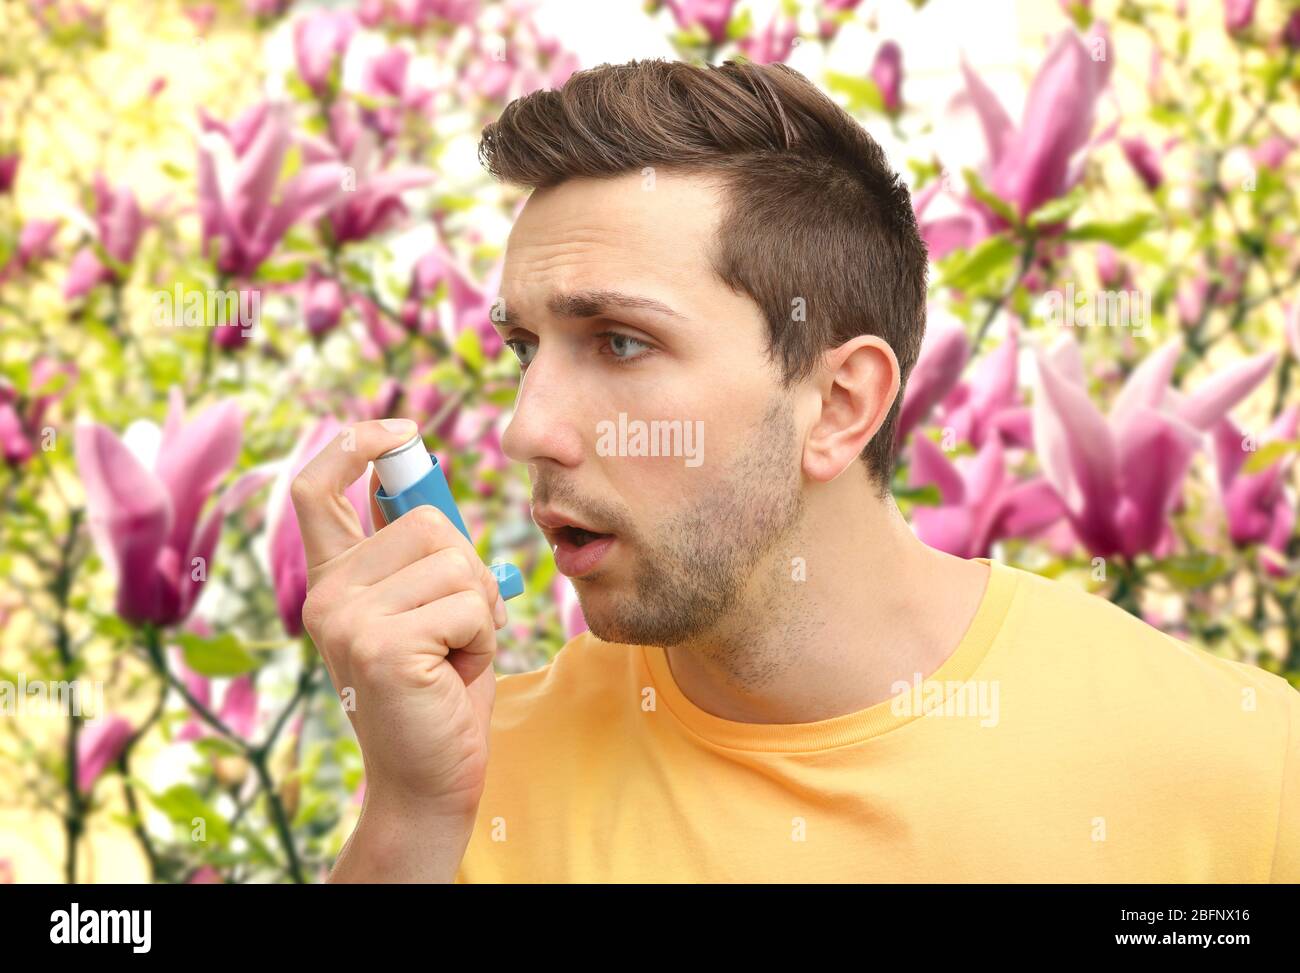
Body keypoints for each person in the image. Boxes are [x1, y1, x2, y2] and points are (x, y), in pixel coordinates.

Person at [290, 58, 1300, 883]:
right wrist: (410, 824)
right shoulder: (464, 779)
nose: (526, 427)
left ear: (839, 404)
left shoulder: (1243, 772)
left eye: (621, 342)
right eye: (524, 346)